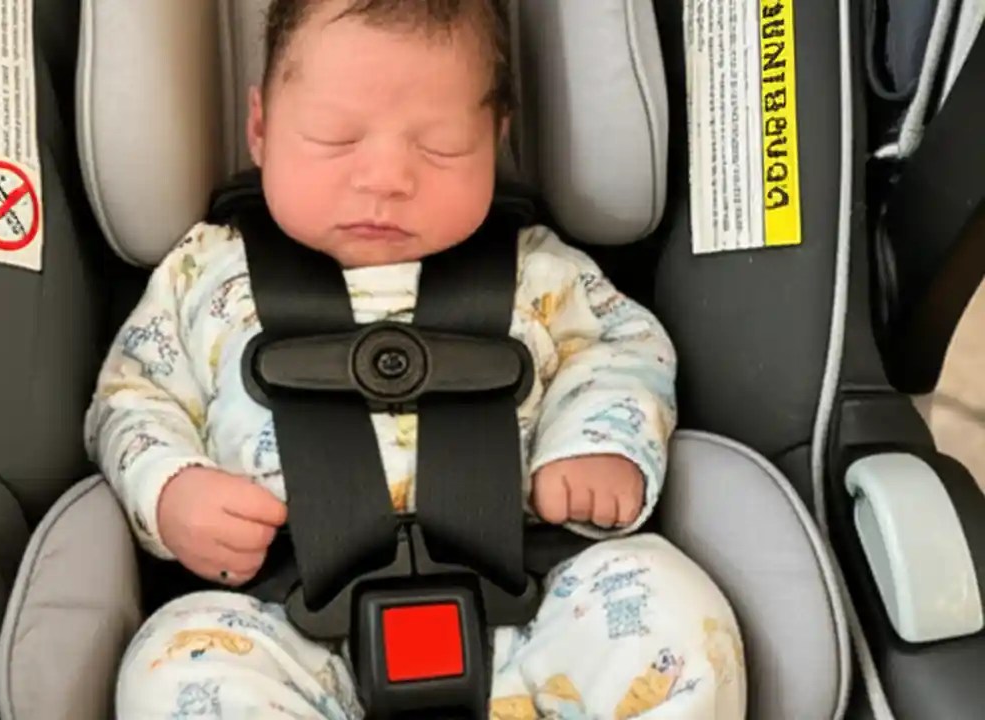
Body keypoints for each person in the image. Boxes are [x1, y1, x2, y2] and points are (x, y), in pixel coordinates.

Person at [85, 1, 746, 717]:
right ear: (261, 129)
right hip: (285, 622)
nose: (387, 178)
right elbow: (131, 398)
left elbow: (622, 353)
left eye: (439, 148)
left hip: (529, 616)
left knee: (668, 608)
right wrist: (171, 489)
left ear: (495, 139)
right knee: (174, 664)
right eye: (335, 138)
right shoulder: (201, 274)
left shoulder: (542, 272)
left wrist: (598, 446)